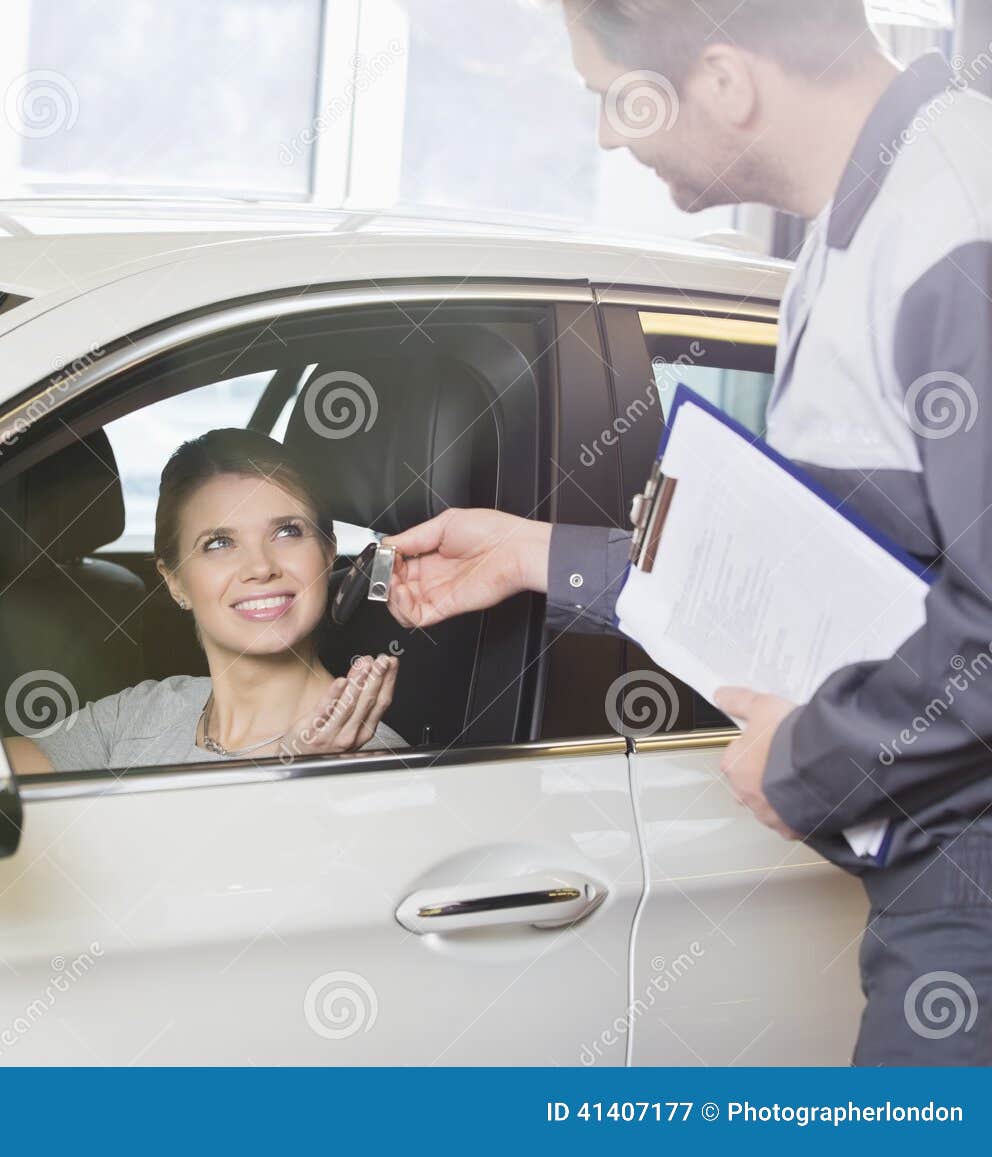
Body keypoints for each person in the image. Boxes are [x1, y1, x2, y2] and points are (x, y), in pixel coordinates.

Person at [385, 0, 992, 1065]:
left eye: (614, 101)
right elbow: (831, 569)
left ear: (722, 80)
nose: (607, 137)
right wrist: (532, 552)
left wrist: (808, 758)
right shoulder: (876, 215)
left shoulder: (953, 234)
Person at [6, 428, 405, 773]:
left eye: (287, 532)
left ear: (328, 551)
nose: (260, 567)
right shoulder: (147, 711)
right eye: (219, 543)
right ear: (175, 581)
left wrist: (294, 773)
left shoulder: (364, 754)